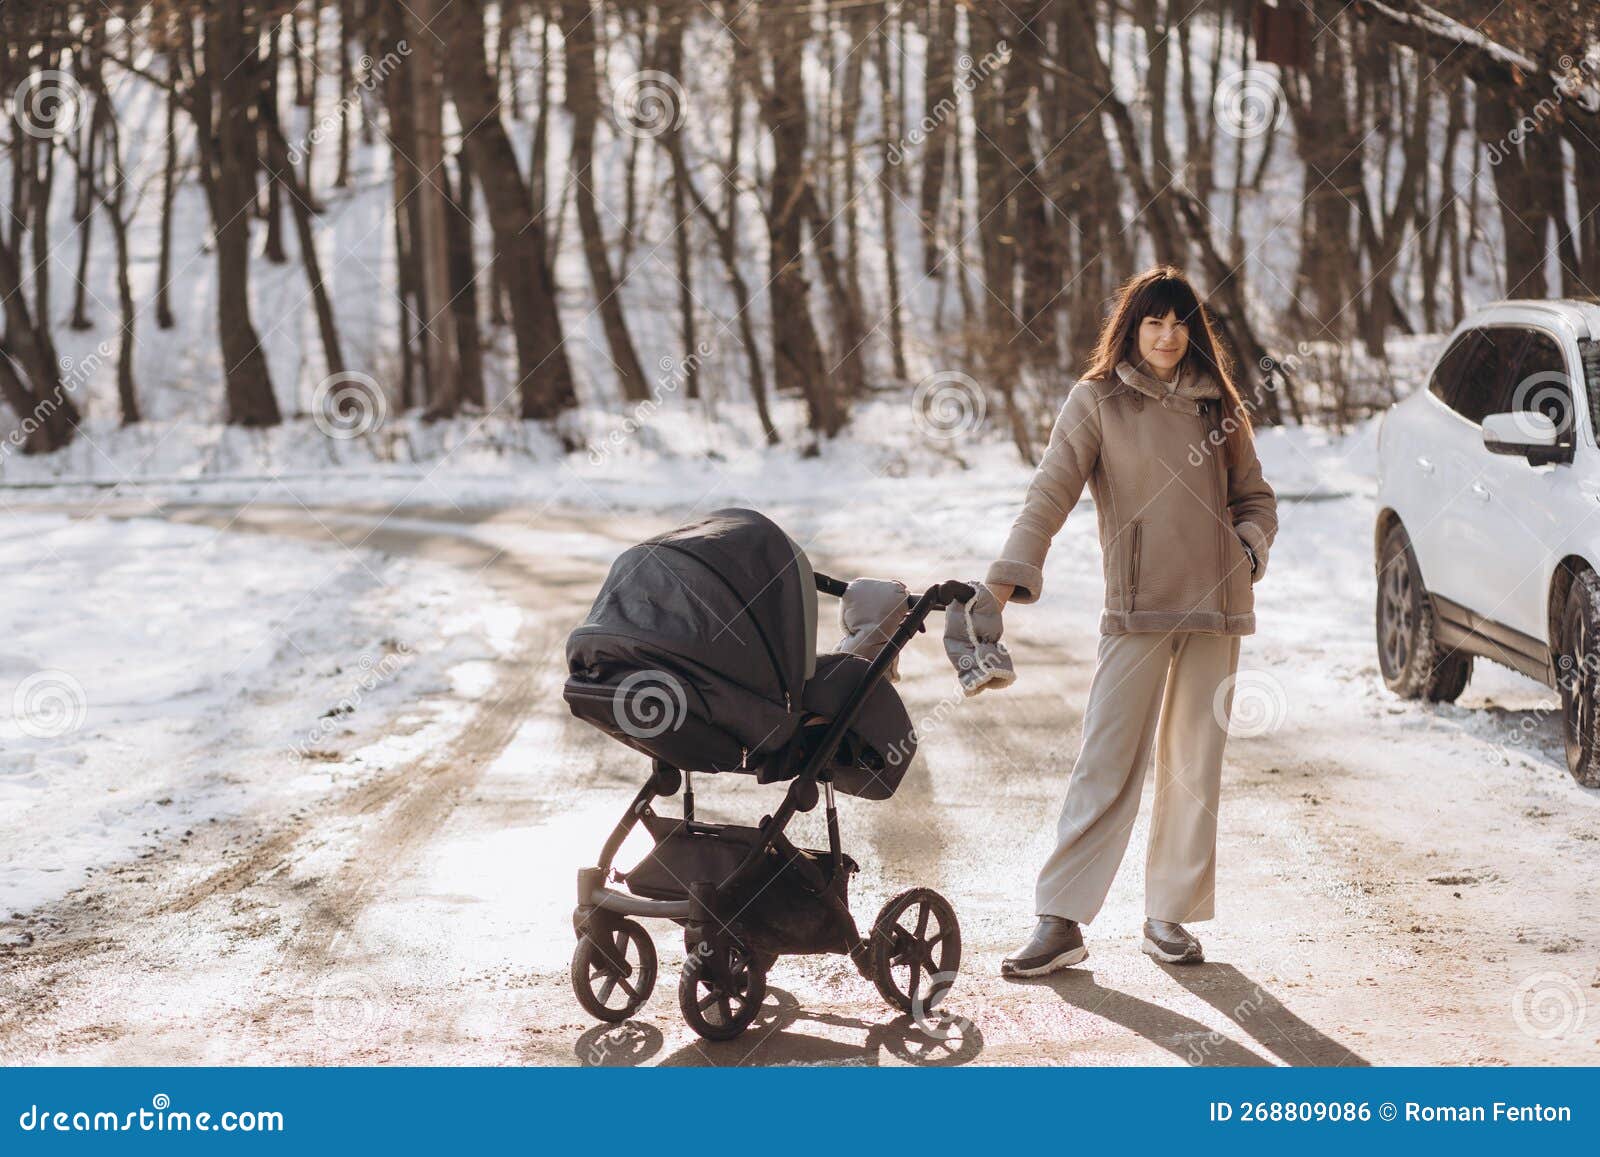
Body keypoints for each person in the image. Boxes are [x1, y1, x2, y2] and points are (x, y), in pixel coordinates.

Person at [985, 265, 1278, 975]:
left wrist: (1247, 549)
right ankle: (1059, 919)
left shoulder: (1220, 406)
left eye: (1180, 321)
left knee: (1193, 766)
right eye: (1154, 321)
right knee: (1107, 758)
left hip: (1218, 607)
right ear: (1132, 328)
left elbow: (1257, 497)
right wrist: (1005, 580)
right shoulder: (1097, 401)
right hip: (1138, 607)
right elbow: (1050, 491)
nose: (1168, 334)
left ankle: (1167, 917)